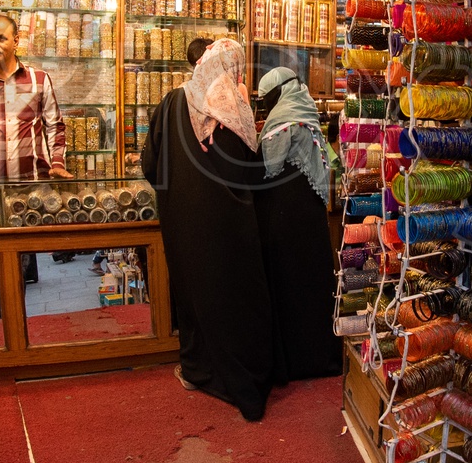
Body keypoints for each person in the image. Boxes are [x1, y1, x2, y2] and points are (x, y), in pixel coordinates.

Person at [141, 39, 276, 420]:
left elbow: (151, 165)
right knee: (238, 293)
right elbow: (256, 170)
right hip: (234, 227)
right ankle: (245, 378)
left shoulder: (171, 104)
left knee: (195, 294)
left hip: (185, 224)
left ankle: (198, 370)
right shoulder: (240, 112)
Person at [0, 13, 70, 313]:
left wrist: (56, 162)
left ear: (16, 40)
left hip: (27, 186)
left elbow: (55, 126)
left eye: (1, 38)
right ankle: (4, 317)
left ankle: (7, 320)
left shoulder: (38, 80)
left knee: (17, 258)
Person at [254, 67, 341, 380]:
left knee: (291, 284)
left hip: (287, 218)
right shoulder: (306, 114)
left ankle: (297, 360)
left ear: (279, 94)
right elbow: (326, 164)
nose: (266, 105)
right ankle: (321, 357)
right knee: (311, 282)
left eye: (268, 98)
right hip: (309, 217)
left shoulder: (284, 120)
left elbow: (269, 167)